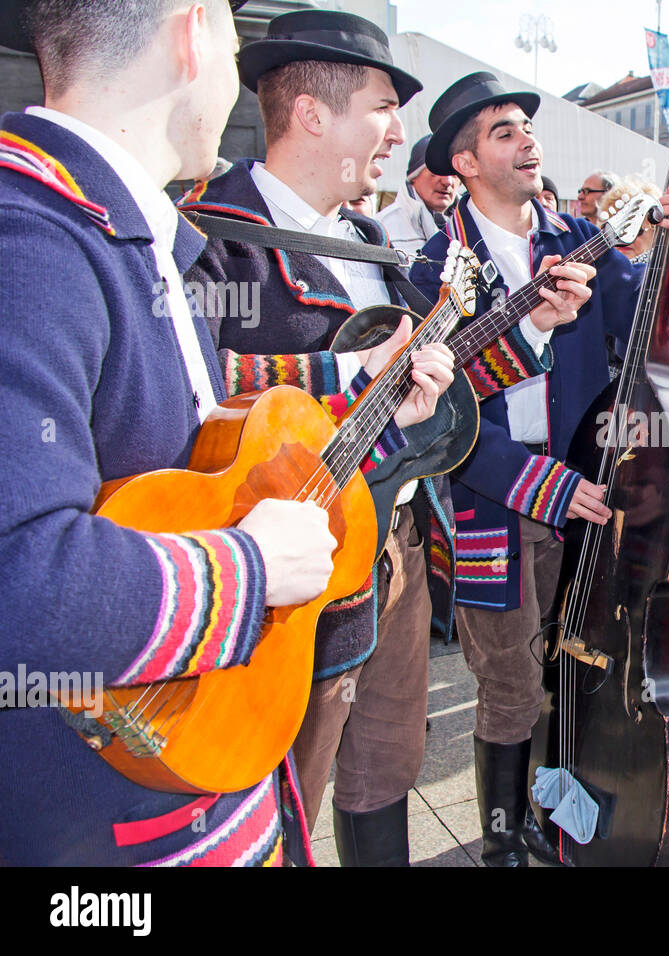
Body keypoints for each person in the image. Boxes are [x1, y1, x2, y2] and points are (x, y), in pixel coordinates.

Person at [0, 0, 451, 865]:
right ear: (190, 29)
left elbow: (195, 409)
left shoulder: (110, 229)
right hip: (105, 833)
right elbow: (20, 578)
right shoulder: (33, 241)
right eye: (232, 37)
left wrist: (354, 386)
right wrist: (244, 575)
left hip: (183, 786)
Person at [180, 14, 592, 866]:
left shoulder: (373, 243)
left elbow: (438, 388)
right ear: (312, 114)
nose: (402, 133)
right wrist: (336, 375)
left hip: (393, 545)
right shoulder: (212, 236)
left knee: (387, 766)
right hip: (280, 579)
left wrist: (533, 328)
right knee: (282, 779)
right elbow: (188, 382)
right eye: (381, 106)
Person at [409, 70, 669, 866]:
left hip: (587, 486)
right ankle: (502, 837)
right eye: (504, 133)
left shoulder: (569, 242)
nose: (527, 142)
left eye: (526, 127)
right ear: (465, 163)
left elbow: (651, 323)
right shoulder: (434, 268)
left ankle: (554, 807)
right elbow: (441, 420)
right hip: (497, 505)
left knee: (570, 659)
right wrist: (548, 487)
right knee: (510, 681)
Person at [376, 132, 459, 255]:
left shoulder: (473, 222)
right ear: (414, 177)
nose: (447, 181)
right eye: (437, 170)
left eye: (454, 172)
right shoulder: (383, 228)